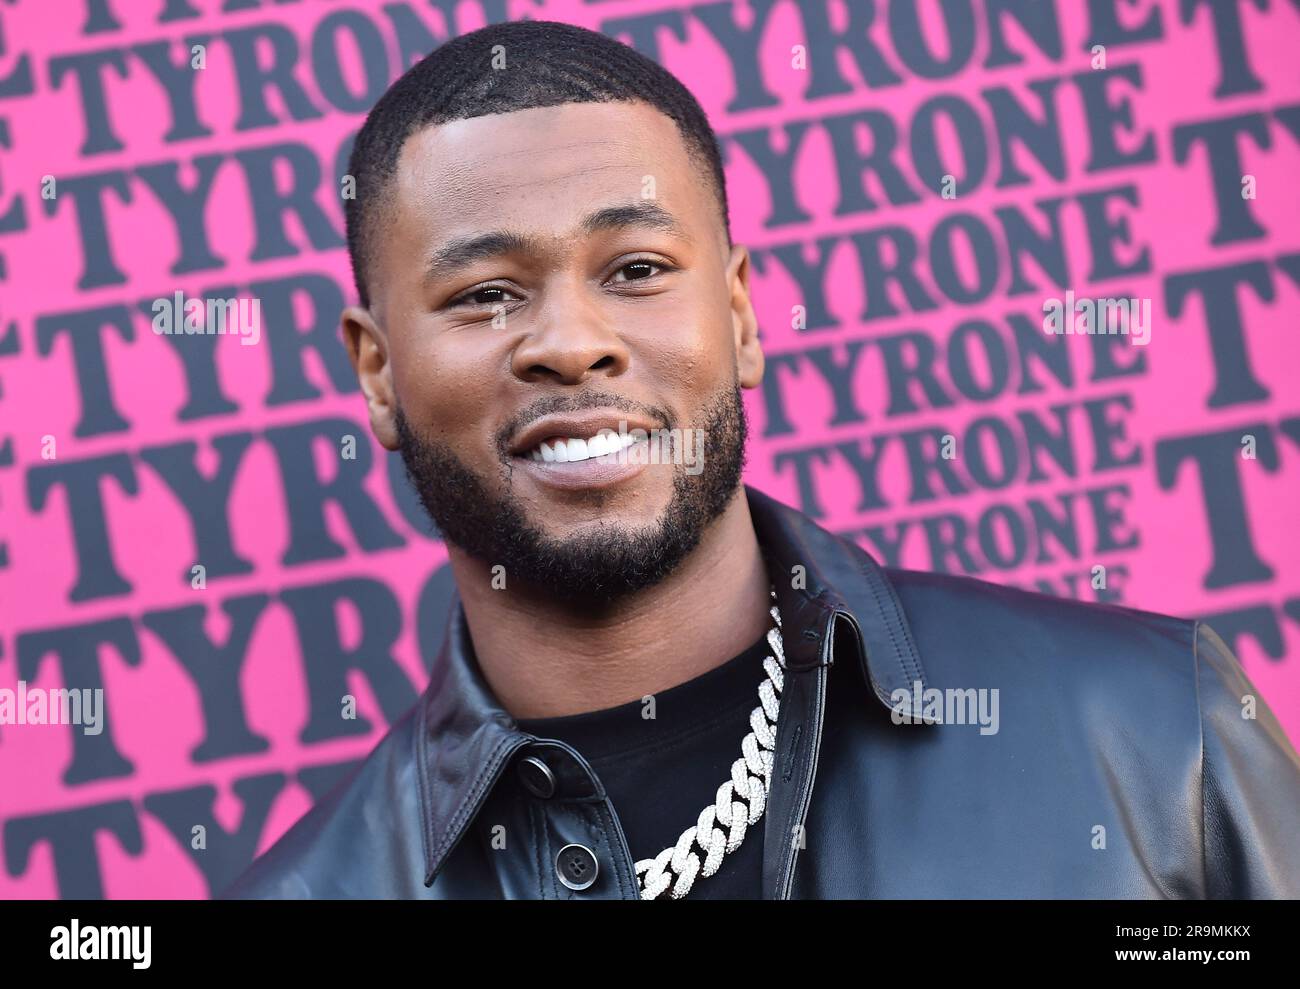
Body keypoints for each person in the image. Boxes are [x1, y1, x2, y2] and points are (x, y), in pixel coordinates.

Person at [222, 19, 1300, 900]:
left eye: (636, 266)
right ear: (377, 372)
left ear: (737, 315)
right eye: (485, 294)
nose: (569, 341)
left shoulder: (1155, 732)